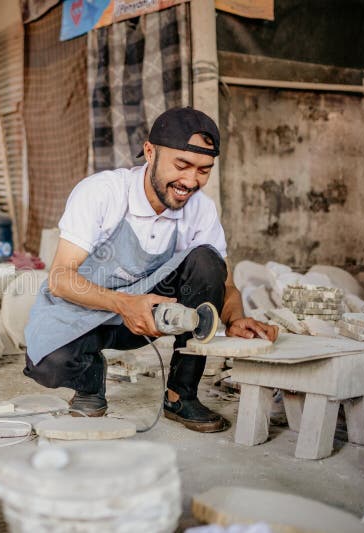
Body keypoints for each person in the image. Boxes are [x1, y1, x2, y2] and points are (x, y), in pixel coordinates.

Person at [23, 107, 279, 433]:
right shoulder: (103, 193)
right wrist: (123, 304)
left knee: (206, 260)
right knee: (48, 365)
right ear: (149, 152)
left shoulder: (200, 209)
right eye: (182, 165)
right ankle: (88, 380)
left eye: (203, 170)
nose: (190, 181)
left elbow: (224, 285)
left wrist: (235, 319)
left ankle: (180, 394)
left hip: (147, 318)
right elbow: (60, 279)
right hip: (85, 308)